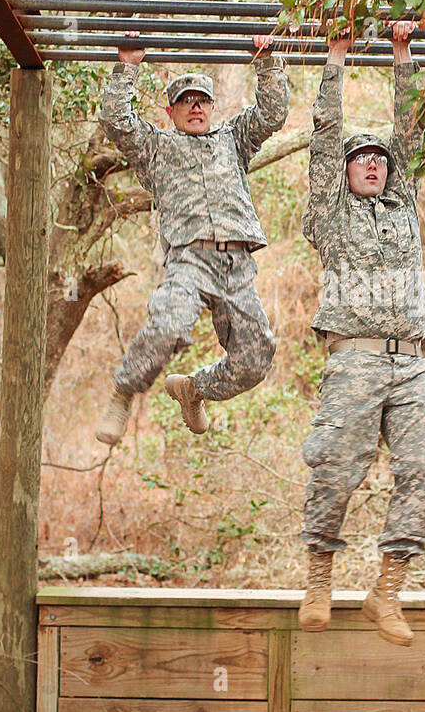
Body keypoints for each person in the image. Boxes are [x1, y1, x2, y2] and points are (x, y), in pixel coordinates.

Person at [298, 21, 425, 645]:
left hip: (412, 364)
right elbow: (325, 141)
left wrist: (402, 53)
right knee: (337, 465)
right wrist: (335, 62)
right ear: (346, 172)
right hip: (355, 361)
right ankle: (318, 579)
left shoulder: (404, 203)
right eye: (361, 159)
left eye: (378, 160)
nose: (372, 164)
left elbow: (407, 132)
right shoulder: (330, 214)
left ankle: (386, 589)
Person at [95, 32, 289, 445]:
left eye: (202, 100)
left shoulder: (233, 140)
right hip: (190, 260)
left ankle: (193, 390)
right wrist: (127, 66)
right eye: (186, 101)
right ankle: (124, 391)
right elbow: (116, 120)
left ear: (213, 107)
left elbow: (272, 114)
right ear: (171, 110)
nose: (196, 106)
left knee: (256, 359)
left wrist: (266, 60)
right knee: (168, 326)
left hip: (237, 265)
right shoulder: (156, 146)